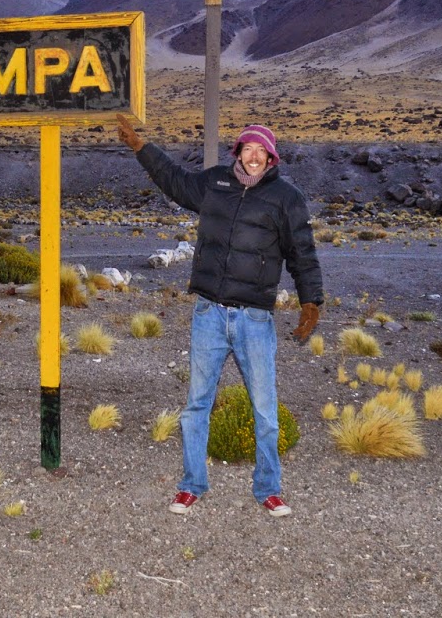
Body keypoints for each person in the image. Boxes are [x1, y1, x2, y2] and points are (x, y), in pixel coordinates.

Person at [115, 114, 323, 518]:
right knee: (196, 405)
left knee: (264, 409)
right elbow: (174, 180)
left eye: (262, 151)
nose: (254, 157)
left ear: (271, 157)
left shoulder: (286, 198)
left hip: (254, 319)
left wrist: (310, 301)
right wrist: (141, 147)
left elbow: (303, 253)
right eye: (248, 149)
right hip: (209, 312)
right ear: (239, 152)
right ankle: (191, 485)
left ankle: (269, 489)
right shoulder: (214, 184)